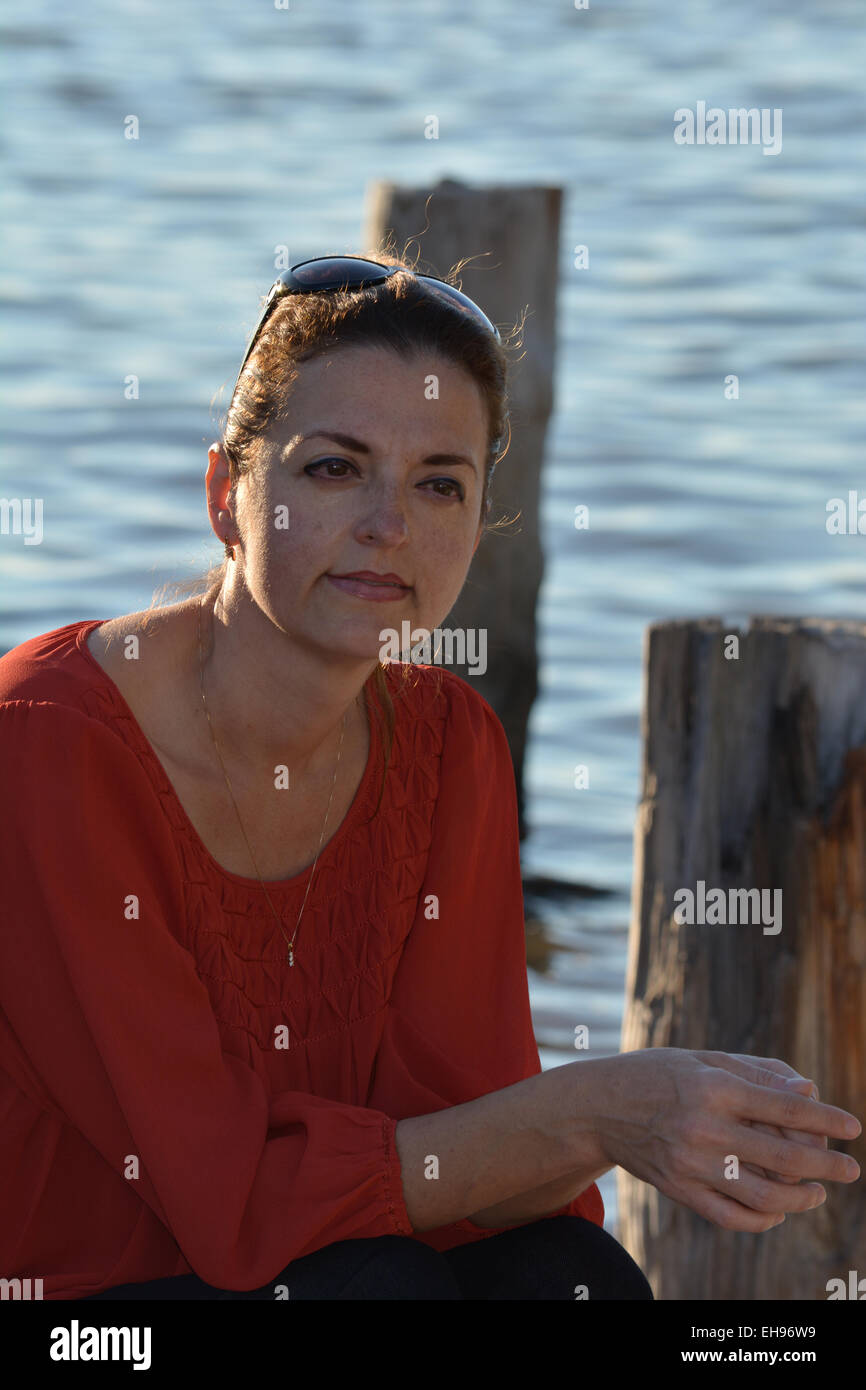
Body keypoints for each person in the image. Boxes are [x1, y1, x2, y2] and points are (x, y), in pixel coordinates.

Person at [0, 253, 859, 1302]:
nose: (388, 525)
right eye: (333, 467)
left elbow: (468, 1166)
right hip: (71, 1305)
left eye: (437, 483)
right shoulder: (44, 741)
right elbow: (231, 1201)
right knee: (378, 1292)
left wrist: (669, 1115)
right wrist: (600, 1108)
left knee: (567, 1274)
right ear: (228, 494)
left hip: (336, 1274)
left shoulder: (448, 742)